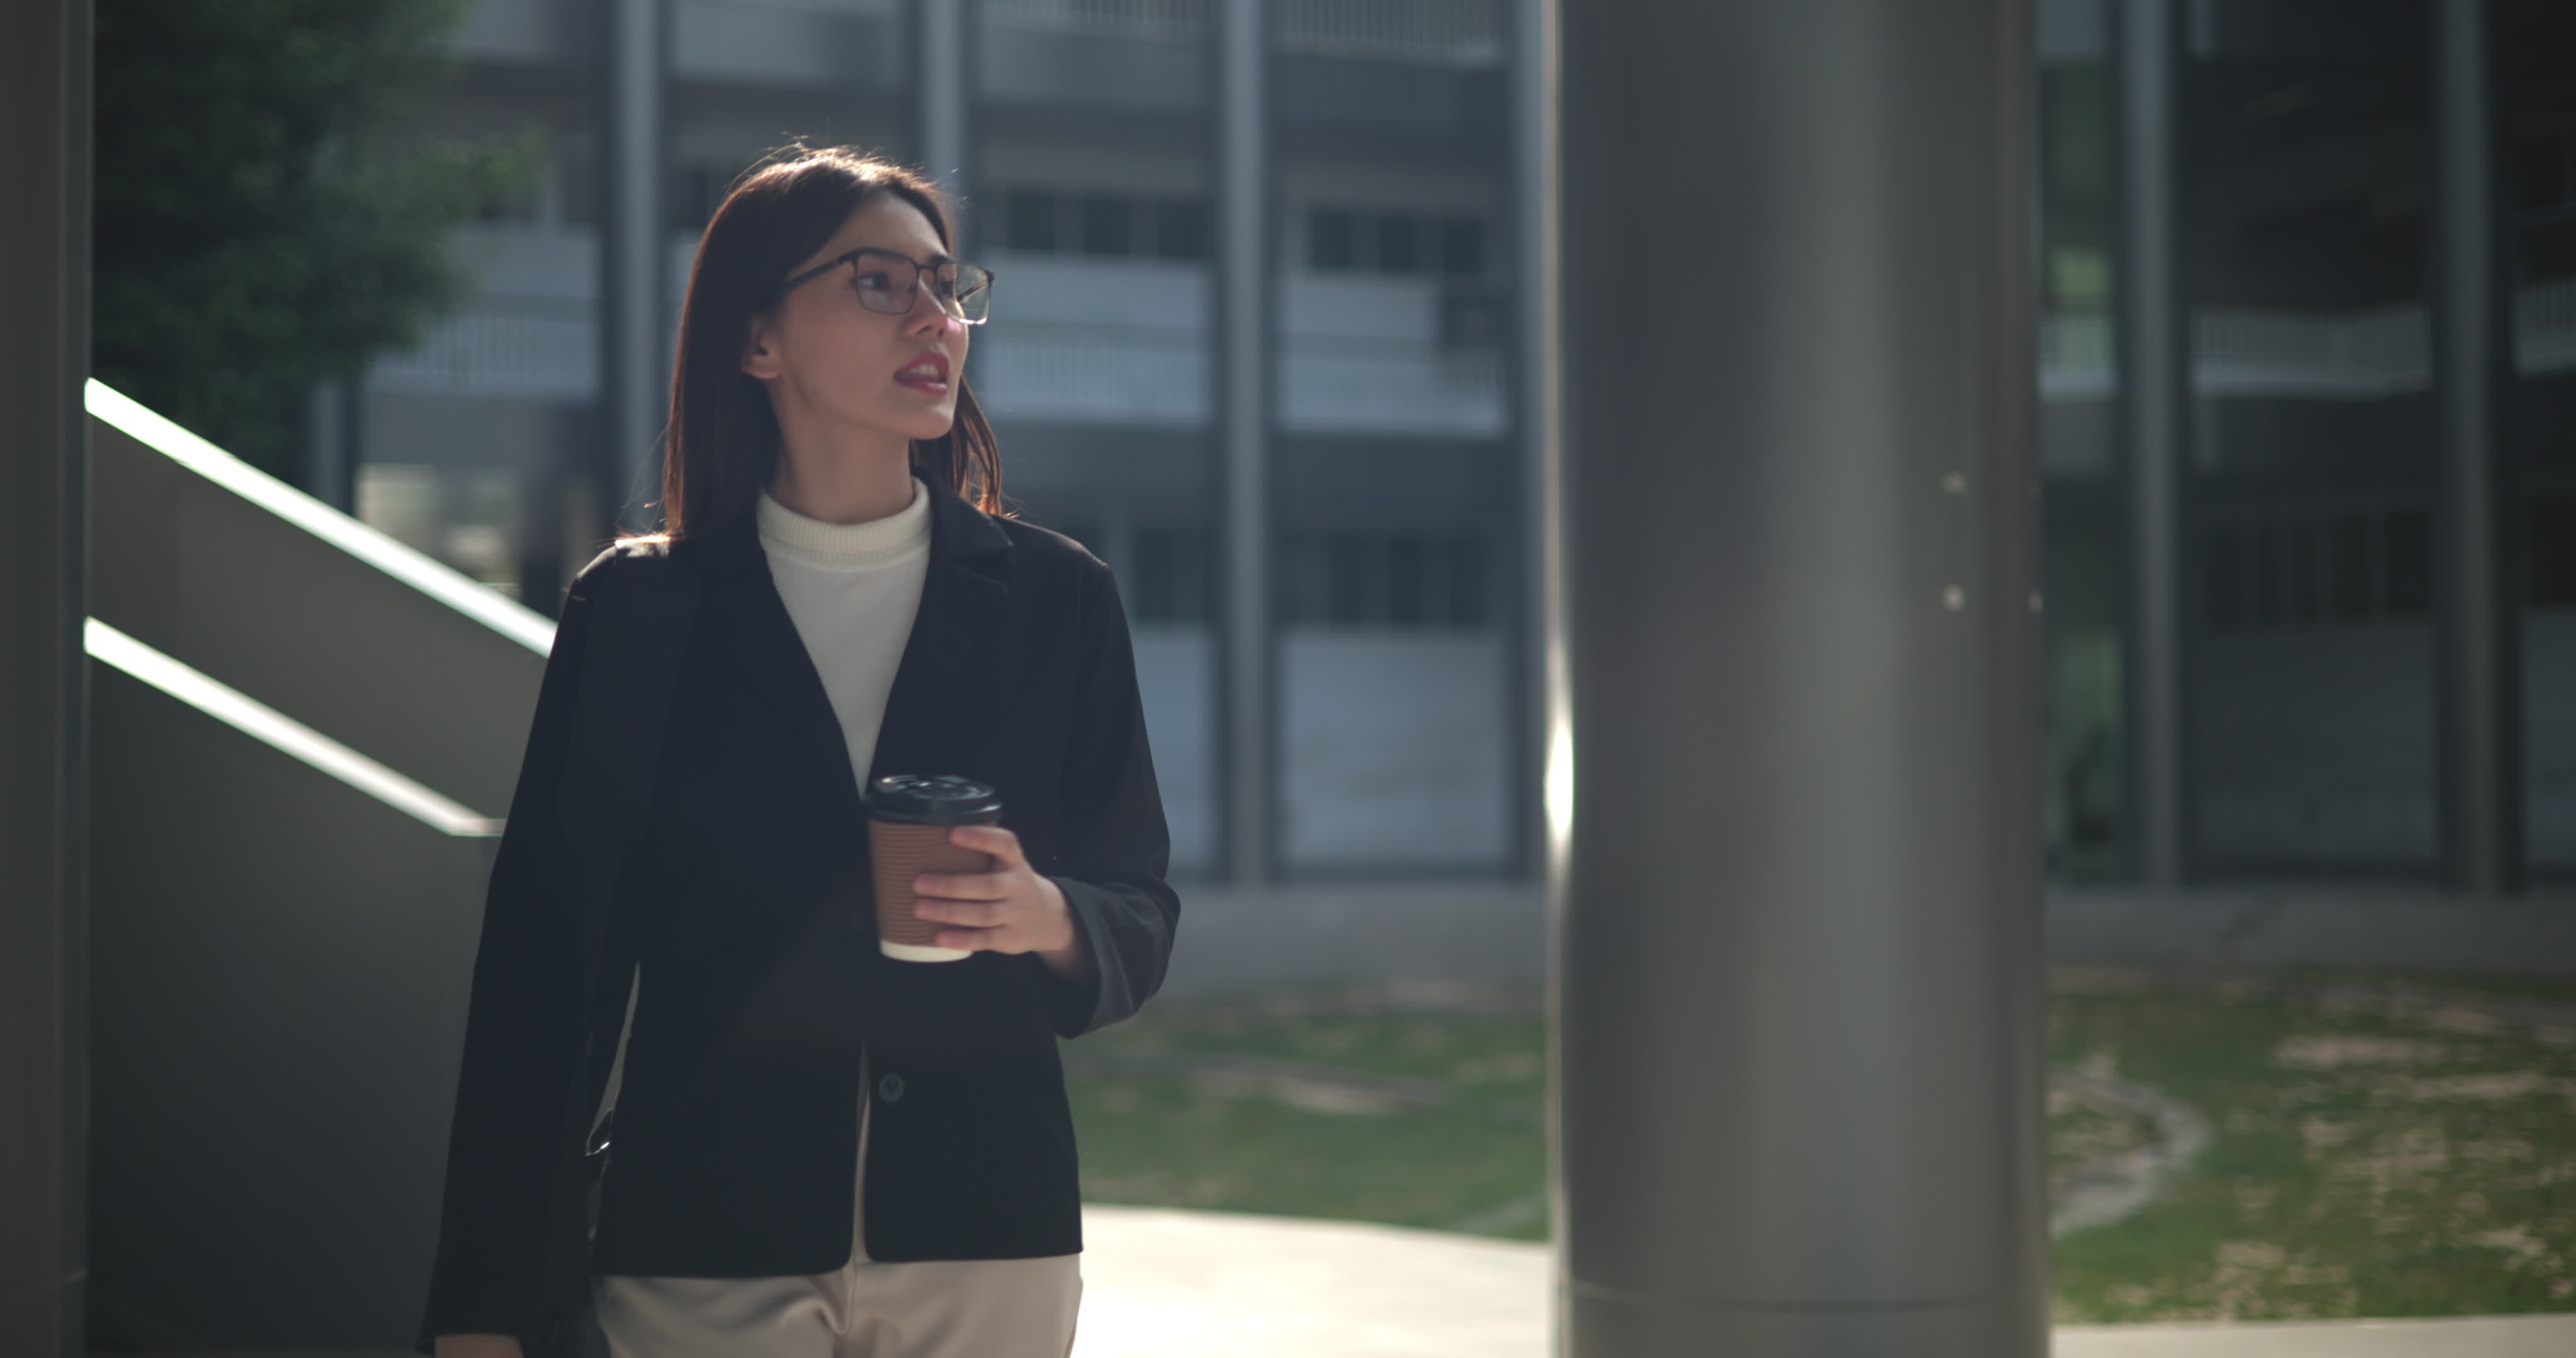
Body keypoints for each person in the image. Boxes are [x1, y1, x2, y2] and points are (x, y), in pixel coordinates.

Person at [418, 145, 1180, 1358]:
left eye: (946, 286)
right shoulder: (637, 615)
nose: (934, 318)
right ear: (756, 340)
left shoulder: (1056, 599)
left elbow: (1139, 901)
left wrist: (1044, 913)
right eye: (879, 282)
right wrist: (482, 1305)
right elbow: (542, 981)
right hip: (705, 1241)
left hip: (989, 1236)